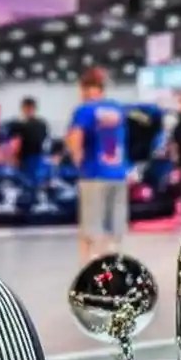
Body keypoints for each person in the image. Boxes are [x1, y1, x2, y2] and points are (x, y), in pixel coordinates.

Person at [66, 68, 129, 262]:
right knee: (114, 228)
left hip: (94, 174)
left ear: (85, 89)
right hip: (118, 175)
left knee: (91, 229)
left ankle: (92, 270)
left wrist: (77, 159)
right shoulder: (117, 109)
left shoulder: (85, 110)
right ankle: (113, 265)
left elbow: (75, 137)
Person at [11, 97, 49, 186]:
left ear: (34, 109)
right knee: (22, 181)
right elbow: (15, 142)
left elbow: (44, 139)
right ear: (23, 109)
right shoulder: (17, 125)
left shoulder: (41, 124)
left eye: (30, 108)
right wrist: (15, 157)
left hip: (36, 156)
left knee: (34, 181)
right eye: (26, 108)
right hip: (22, 157)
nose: (28, 110)